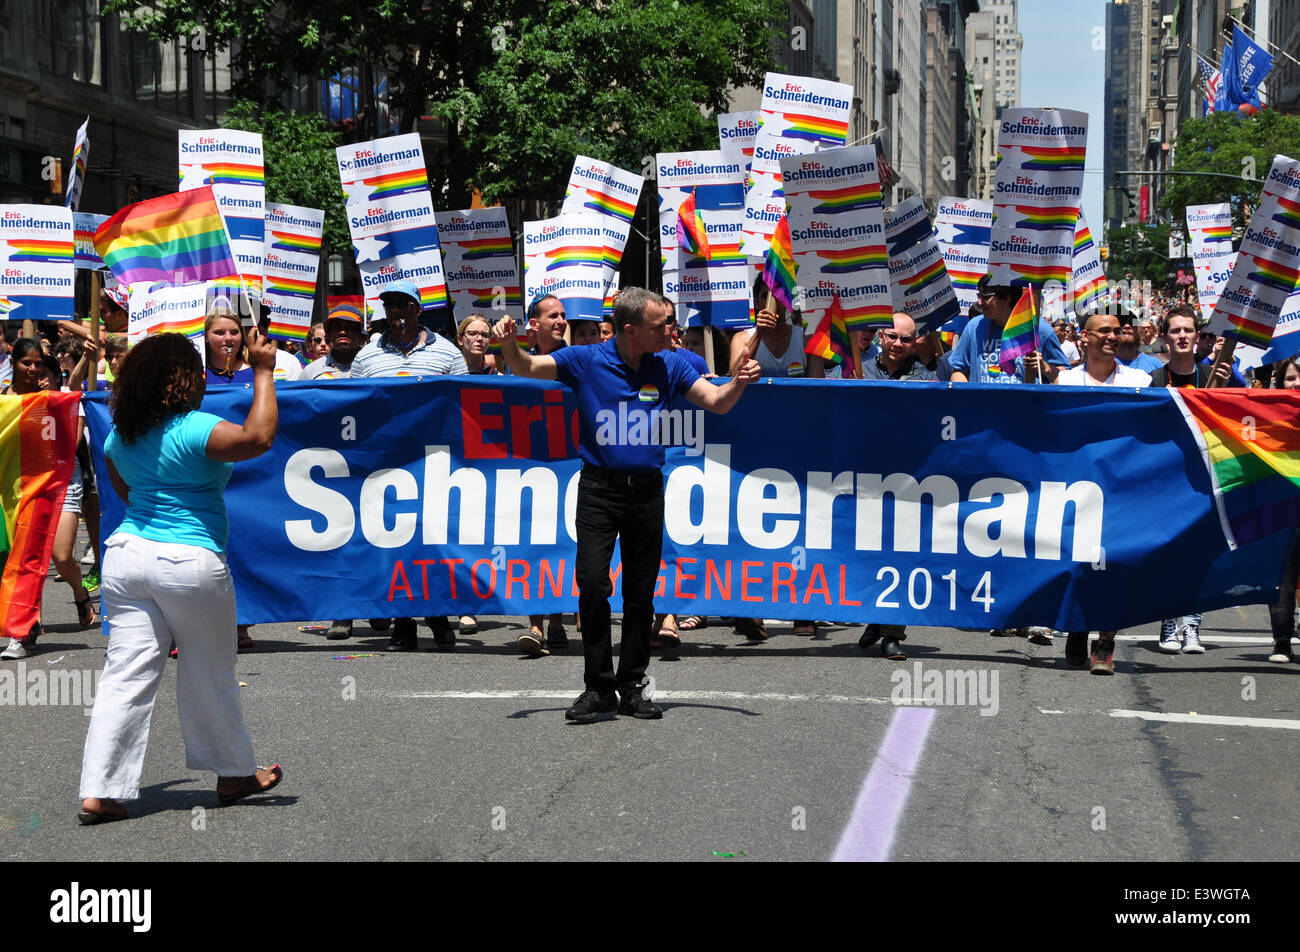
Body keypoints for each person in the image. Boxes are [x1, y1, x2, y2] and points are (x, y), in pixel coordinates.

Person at [492, 288, 760, 723]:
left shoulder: (669, 363)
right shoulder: (585, 359)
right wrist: (508, 345)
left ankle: (632, 684)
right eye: (662, 325)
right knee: (594, 585)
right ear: (630, 329)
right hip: (599, 490)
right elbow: (526, 366)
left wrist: (739, 382)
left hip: (647, 493)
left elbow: (717, 403)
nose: (671, 331)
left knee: (640, 593)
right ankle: (597, 687)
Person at [76, 332, 284, 823]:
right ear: (186, 380)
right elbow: (258, 438)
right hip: (188, 559)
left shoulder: (119, 435)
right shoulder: (194, 427)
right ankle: (233, 773)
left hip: (127, 556)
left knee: (124, 676)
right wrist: (263, 370)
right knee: (209, 670)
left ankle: (101, 791)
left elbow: (126, 492)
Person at [351, 279, 467, 650]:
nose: (397, 312)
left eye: (403, 304)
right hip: (385, 465)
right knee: (394, 541)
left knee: (432, 541)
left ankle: (437, 615)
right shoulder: (366, 357)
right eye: (390, 305)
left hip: (433, 462)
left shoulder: (448, 354)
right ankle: (403, 623)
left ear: (419, 309)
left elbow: (465, 405)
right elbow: (350, 405)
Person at [1052, 309, 1150, 673]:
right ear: (1085, 338)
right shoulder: (1065, 380)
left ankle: (1105, 644)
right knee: (1078, 560)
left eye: (1116, 332)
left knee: (1117, 564)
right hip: (1078, 486)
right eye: (1103, 331)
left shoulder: (1140, 380)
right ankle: (1077, 627)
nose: (1111, 337)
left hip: (1124, 486)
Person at [1147, 304, 1230, 654]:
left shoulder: (1215, 374)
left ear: (1198, 338)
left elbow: (1235, 422)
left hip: (1205, 478)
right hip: (1167, 479)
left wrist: (1223, 390)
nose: (1182, 336)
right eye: (1176, 330)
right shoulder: (1154, 379)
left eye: (1188, 331)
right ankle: (1169, 620)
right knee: (1169, 552)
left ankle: (1193, 624)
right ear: (1165, 337)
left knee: (1199, 553)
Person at [856, 313, 936, 661]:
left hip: (908, 482)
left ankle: (892, 633)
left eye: (907, 339)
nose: (899, 344)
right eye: (893, 337)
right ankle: (876, 617)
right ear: (881, 337)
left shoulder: (928, 379)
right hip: (862, 478)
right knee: (869, 553)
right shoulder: (857, 369)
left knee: (901, 555)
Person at [516, 295, 571, 656]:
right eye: (553, 315)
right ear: (533, 324)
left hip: (570, 463)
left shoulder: (578, 358)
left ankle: (556, 622)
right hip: (527, 464)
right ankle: (535, 625)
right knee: (531, 542)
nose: (562, 320)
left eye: (564, 315)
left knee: (563, 543)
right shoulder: (516, 363)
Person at [949, 276, 1068, 384]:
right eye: (979, 296)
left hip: (1026, 407)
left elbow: (1066, 378)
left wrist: (1045, 367)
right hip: (983, 407)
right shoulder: (974, 327)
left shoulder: (1040, 329)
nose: (979, 303)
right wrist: (967, 397)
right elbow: (958, 370)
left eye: (985, 297)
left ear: (1006, 297)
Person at [302, 303, 365, 380]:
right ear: (329, 334)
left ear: (361, 335)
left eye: (350, 327)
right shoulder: (311, 371)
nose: (342, 332)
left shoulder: (372, 366)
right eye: (337, 327)